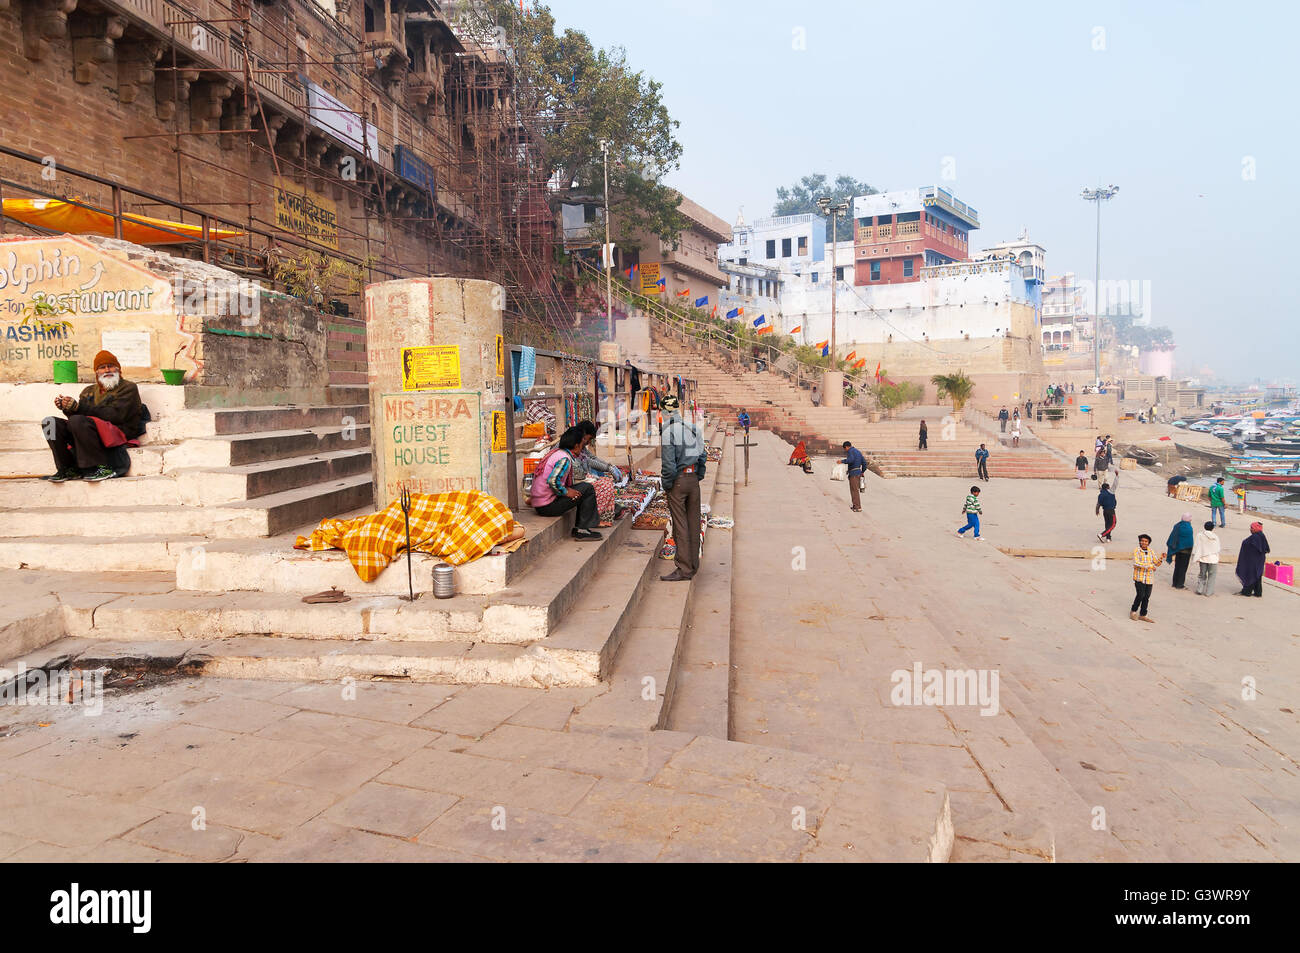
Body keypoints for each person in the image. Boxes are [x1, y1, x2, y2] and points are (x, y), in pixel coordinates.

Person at [43, 350, 144, 483]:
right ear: (97, 372)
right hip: (89, 432)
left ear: (118, 369)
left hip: (118, 431)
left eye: (110, 366)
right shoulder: (88, 391)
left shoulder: (128, 387)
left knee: (78, 421)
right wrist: (67, 408)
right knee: (50, 423)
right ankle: (67, 468)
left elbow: (116, 415)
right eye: (102, 367)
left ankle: (97, 467)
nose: (107, 370)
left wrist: (78, 408)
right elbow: (79, 416)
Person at [660, 394, 706, 582]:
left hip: (678, 481)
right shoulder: (693, 429)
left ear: (663, 412)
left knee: (680, 525)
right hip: (693, 479)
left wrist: (667, 485)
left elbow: (669, 466)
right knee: (693, 523)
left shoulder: (668, 432)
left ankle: (684, 568)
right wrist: (697, 476)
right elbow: (702, 455)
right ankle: (693, 564)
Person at [529, 426, 601, 541]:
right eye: (582, 444)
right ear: (576, 446)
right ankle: (582, 530)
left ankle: (581, 527)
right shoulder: (564, 458)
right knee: (588, 489)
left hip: (541, 503)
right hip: (547, 506)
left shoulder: (556, 453)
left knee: (582, 488)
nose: (583, 447)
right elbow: (553, 481)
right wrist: (566, 491)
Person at [1131, 534, 1165, 622]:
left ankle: (1143, 615)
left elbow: (1156, 563)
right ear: (1140, 542)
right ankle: (1133, 611)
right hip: (1139, 577)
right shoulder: (1137, 550)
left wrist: (1161, 558)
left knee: (1146, 597)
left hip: (1149, 578)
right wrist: (1150, 566)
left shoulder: (1151, 551)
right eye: (1142, 541)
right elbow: (1136, 563)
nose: (1144, 543)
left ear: (1148, 543)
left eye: (1146, 541)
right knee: (1140, 595)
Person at [1235, 522, 1271, 597]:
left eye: (1252, 528)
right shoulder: (1261, 535)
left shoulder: (1255, 537)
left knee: (1251, 575)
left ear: (1256, 528)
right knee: (1257, 575)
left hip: (1253, 561)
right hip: (1259, 560)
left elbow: (1246, 543)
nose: (1250, 529)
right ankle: (1258, 592)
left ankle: (1247, 592)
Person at [1166, 513, 1195, 589]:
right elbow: (1189, 541)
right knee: (1183, 568)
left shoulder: (1177, 525)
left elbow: (1173, 536)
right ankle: (1180, 584)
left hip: (1178, 550)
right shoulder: (1189, 528)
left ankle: (1174, 583)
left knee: (1177, 566)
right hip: (1186, 552)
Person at [1192, 521, 1221, 596]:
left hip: (1203, 558)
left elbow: (1196, 546)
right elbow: (1218, 548)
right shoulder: (1215, 537)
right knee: (1212, 576)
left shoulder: (1200, 535)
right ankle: (1209, 592)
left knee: (1202, 574)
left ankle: (1199, 589)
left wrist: (1195, 556)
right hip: (1213, 559)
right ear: (1212, 528)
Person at [840, 440, 866, 512]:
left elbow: (851, 460)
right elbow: (864, 463)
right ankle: (856, 506)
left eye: (845, 449)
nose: (845, 451)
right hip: (858, 472)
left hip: (853, 474)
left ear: (846, 447)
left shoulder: (850, 451)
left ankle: (857, 507)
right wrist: (862, 471)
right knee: (855, 490)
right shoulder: (858, 451)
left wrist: (842, 461)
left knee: (854, 491)